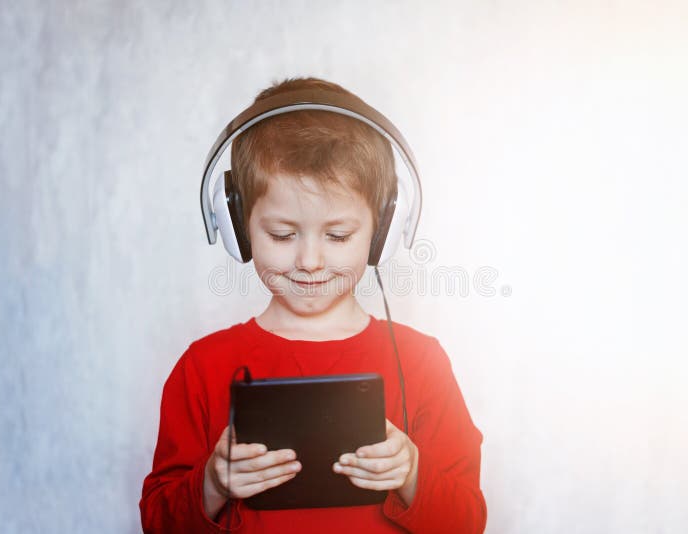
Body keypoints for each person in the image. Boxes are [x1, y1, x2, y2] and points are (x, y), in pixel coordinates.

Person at [139, 77, 486, 533]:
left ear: (382, 231)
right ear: (237, 226)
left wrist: (412, 474)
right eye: (282, 234)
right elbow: (158, 524)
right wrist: (212, 484)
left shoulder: (422, 363)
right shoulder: (201, 367)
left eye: (338, 236)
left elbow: (467, 522)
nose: (309, 261)